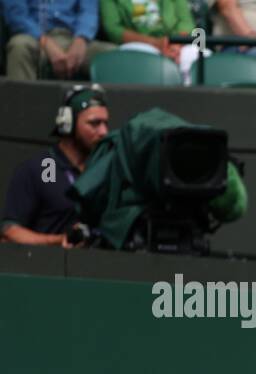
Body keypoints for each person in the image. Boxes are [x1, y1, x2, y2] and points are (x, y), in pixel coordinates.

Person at [1, 84, 108, 246]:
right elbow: (10, 231)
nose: (103, 132)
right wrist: (57, 241)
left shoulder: (104, 169)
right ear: (68, 124)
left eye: (106, 123)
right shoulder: (44, 168)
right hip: (48, 266)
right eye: (94, 123)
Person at [3, 0, 116, 80]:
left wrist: (81, 39)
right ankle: (21, 110)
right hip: (33, 37)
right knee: (19, 46)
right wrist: (45, 42)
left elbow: (89, 12)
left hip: (72, 37)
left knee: (116, 56)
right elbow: (16, 16)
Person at [98, 0, 202, 78]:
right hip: (139, 45)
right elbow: (113, 29)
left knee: (196, 55)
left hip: (176, 44)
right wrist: (155, 43)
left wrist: (175, 44)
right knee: (143, 60)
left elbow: (186, 22)